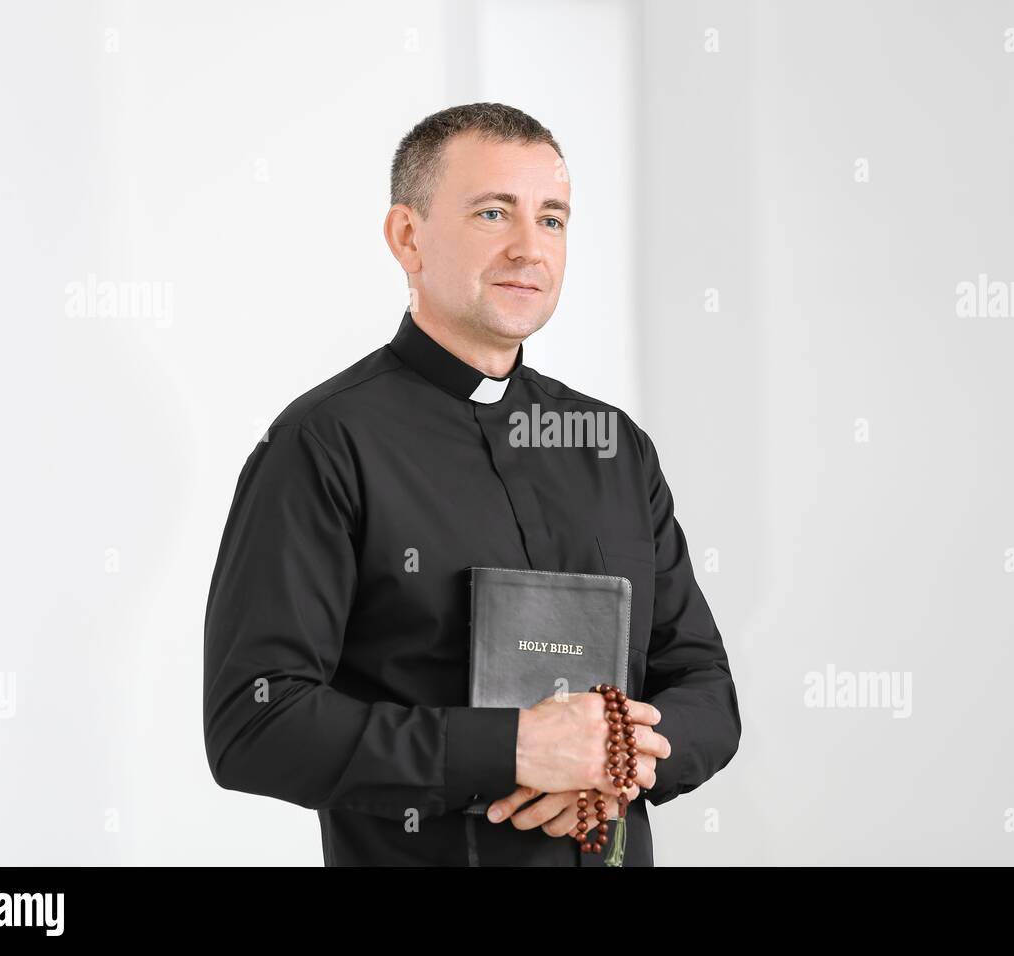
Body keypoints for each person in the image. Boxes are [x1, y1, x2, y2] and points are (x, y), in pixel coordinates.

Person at [202, 102, 741, 866]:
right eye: (495, 213)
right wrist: (518, 749)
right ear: (407, 237)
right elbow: (255, 724)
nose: (531, 248)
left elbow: (705, 689)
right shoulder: (322, 444)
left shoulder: (615, 447)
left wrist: (613, 756)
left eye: (552, 219)